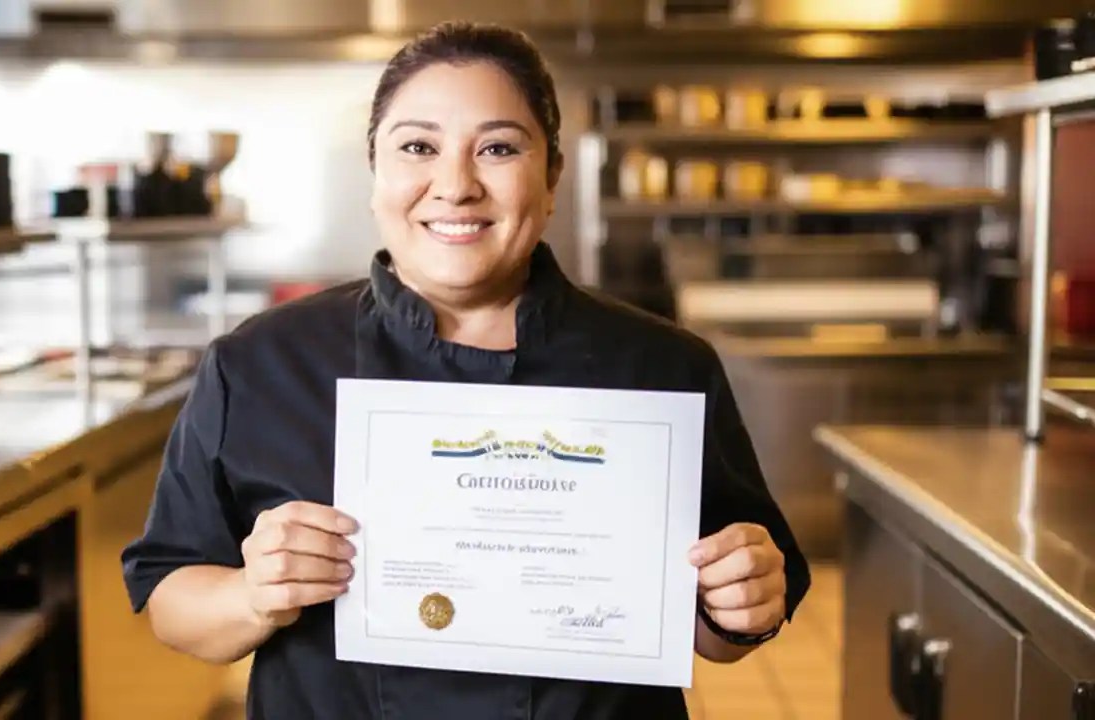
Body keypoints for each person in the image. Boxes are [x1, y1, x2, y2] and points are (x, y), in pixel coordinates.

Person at [121, 20, 811, 720]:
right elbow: (171, 598)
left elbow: (719, 626)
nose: (455, 186)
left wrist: (738, 606)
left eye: (498, 148)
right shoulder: (261, 366)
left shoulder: (662, 367)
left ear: (551, 177)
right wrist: (252, 596)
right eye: (418, 147)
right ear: (375, 172)